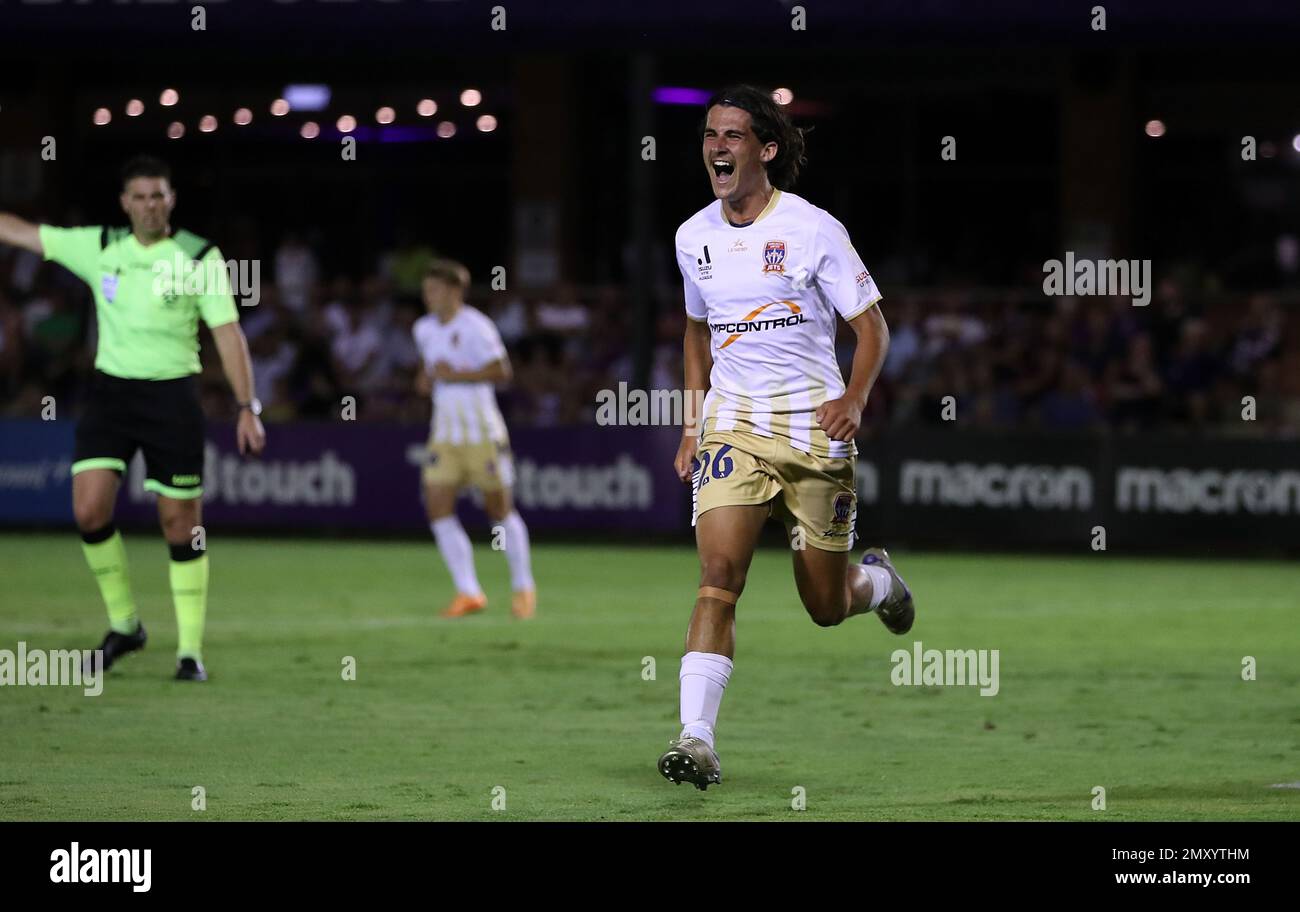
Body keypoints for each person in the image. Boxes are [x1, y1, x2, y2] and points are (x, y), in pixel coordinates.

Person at [660, 86, 916, 789]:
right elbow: (694, 332)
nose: (717, 146)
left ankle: (882, 582)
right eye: (710, 134)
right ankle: (697, 739)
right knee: (718, 579)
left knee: (824, 607)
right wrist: (693, 424)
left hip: (813, 436)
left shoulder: (812, 229)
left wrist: (854, 399)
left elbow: (873, 329)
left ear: (765, 149)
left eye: (734, 135)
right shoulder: (692, 237)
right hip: (734, 429)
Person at [0, 155, 266, 681]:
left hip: (173, 398)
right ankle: (125, 627)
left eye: (158, 195)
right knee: (89, 511)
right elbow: (25, 234)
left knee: (180, 525)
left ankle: (190, 652)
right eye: (140, 196)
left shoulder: (198, 256)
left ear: (172, 200)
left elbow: (228, 334)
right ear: (125, 203)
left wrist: (245, 407)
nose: (150, 205)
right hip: (111, 397)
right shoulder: (100, 246)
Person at [413, 259, 536, 619]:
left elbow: (502, 370)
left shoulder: (477, 327)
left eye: (433, 290)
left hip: (482, 432)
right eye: (425, 291)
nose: (428, 297)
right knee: (437, 508)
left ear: (454, 291)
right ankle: (468, 592)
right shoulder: (423, 329)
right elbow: (428, 371)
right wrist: (425, 380)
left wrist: (460, 375)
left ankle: (523, 587)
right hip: (444, 433)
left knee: (498, 510)